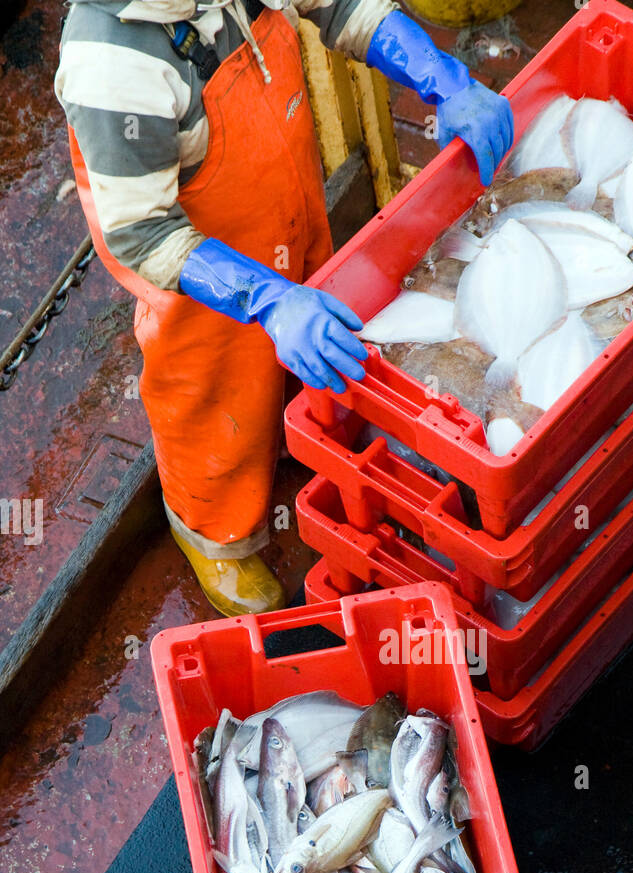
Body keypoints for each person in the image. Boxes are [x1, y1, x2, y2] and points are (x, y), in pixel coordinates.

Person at [55, 0, 514, 615]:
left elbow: (340, 6)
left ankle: (301, 432)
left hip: (286, 208)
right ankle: (217, 533)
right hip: (199, 279)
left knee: (306, 344)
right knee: (215, 402)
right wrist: (265, 299)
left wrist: (442, 77)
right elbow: (142, 233)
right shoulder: (111, 64)